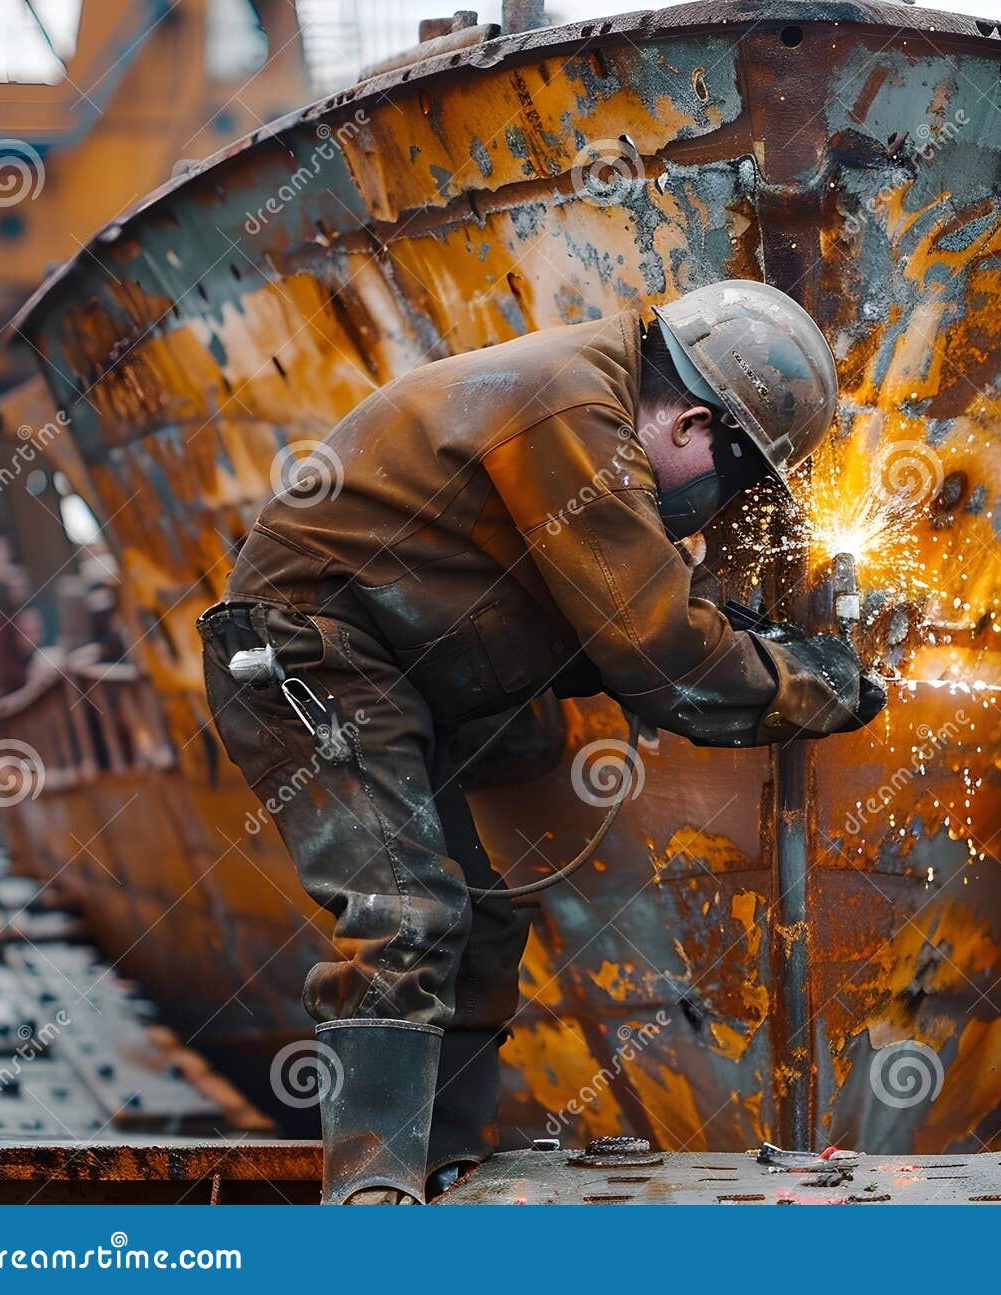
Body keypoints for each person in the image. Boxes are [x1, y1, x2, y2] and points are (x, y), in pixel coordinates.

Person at [197, 280, 885, 1203]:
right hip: (302, 656)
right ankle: (371, 1202)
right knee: (407, 911)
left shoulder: (589, 403)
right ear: (688, 426)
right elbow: (662, 656)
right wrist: (815, 683)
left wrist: (741, 631)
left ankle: (439, 1174)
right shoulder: (572, 411)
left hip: (380, 669)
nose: (715, 511)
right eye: (734, 480)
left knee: (481, 918)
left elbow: (598, 606)